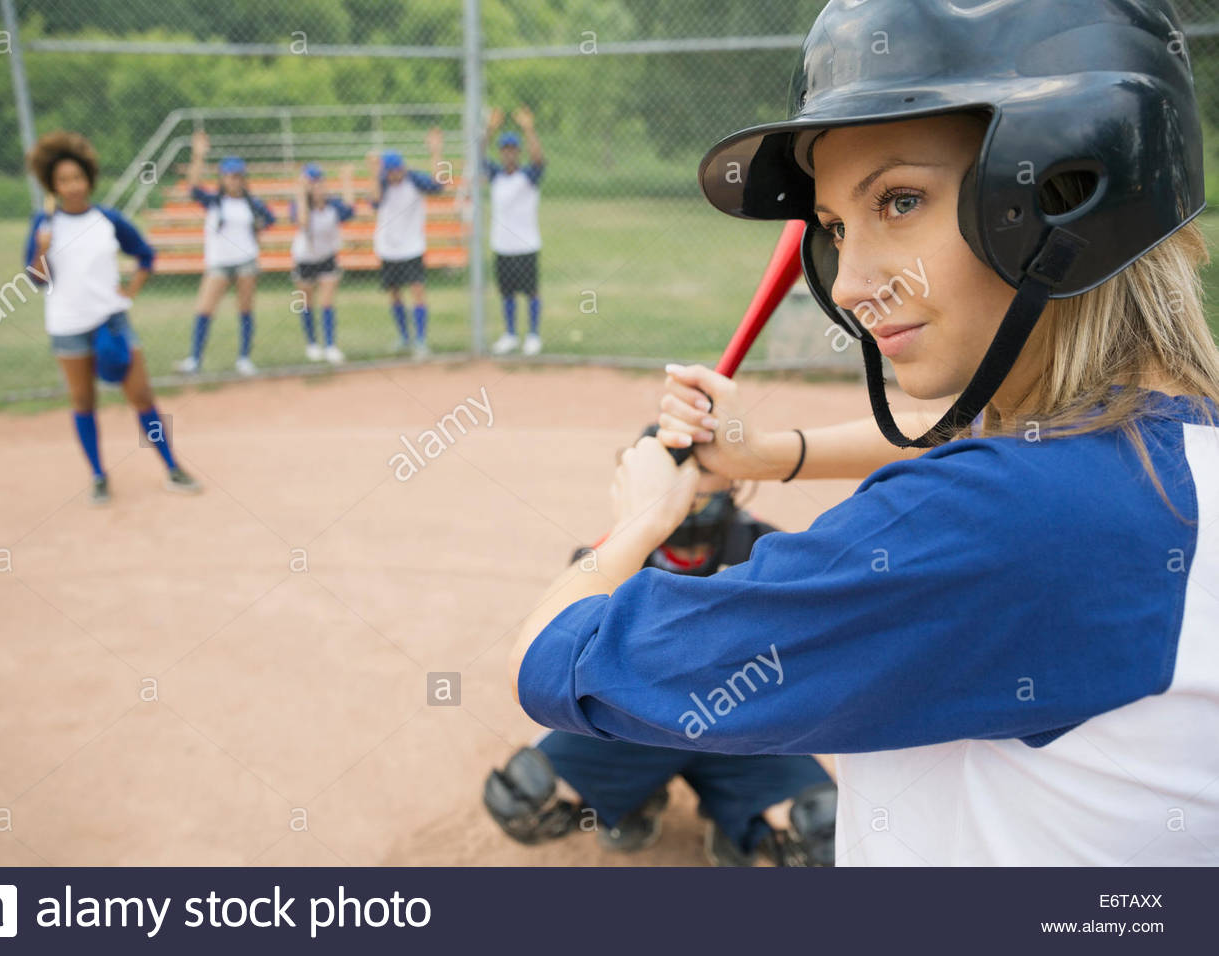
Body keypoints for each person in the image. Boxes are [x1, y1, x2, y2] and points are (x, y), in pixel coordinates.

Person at [509, 0, 1219, 866]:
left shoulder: (1002, 517)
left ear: (1069, 194)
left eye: (901, 200)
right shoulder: (1172, 453)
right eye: (838, 228)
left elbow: (559, 660)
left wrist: (637, 526)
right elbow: (1015, 445)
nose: (847, 283)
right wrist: (771, 455)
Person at [485, 427, 837, 866]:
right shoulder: (611, 555)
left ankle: (739, 820)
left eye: (707, 466)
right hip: (634, 724)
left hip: (735, 725)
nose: (693, 482)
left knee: (824, 831)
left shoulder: (764, 547)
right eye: (678, 465)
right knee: (522, 799)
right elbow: (562, 658)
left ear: (733, 475)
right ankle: (634, 798)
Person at [24, 130, 201, 504]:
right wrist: (41, 252)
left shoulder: (107, 219)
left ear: (88, 178)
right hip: (68, 327)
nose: (73, 186)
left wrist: (130, 290)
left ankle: (172, 467)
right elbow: (36, 281)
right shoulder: (45, 226)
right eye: (63, 181)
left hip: (112, 321)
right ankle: (99, 476)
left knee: (142, 396)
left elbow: (145, 255)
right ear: (52, 185)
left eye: (77, 177)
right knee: (83, 402)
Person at [175, 130, 275, 376]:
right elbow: (192, 187)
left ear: (243, 178)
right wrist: (199, 155)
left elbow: (269, 220)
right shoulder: (213, 201)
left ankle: (244, 358)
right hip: (219, 262)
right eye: (229, 176)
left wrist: (258, 232)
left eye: (238, 176)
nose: (234, 180)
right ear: (222, 178)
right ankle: (195, 359)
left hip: (246, 261)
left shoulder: (252, 203)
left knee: (245, 308)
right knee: (205, 309)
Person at [366, 129, 444, 361]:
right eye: (390, 171)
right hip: (388, 248)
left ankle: (420, 340)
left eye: (397, 170)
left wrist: (435, 152)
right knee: (394, 294)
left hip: (412, 247)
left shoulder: (414, 180)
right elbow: (375, 202)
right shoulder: (382, 183)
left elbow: (438, 186)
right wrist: (373, 173)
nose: (394, 175)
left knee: (418, 291)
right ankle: (404, 336)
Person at [484, 106, 545, 357]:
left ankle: (533, 335)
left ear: (518, 153)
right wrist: (490, 128)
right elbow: (477, 155)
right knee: (506, 292)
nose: (508, 154)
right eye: (504, 150)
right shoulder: (496, 176)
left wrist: (529, 129)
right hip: (503, 245)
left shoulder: (528, 176)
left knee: (531, 292)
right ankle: (510, 334)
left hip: (526, 244)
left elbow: (538, 160)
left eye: (512, 150)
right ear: (500, 153)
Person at [291, 162, 355, 365]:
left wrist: (346, 180)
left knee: (327, 302)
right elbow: (303, 222)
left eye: (320, 182)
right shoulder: (299, 206)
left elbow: (350, 211)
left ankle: (330, 345)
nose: (317, 187)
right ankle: (311, 343)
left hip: (327, 257)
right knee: (306, 302)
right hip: (305, 258)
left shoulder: (332, 205)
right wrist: (301, 194)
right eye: (312, 183)